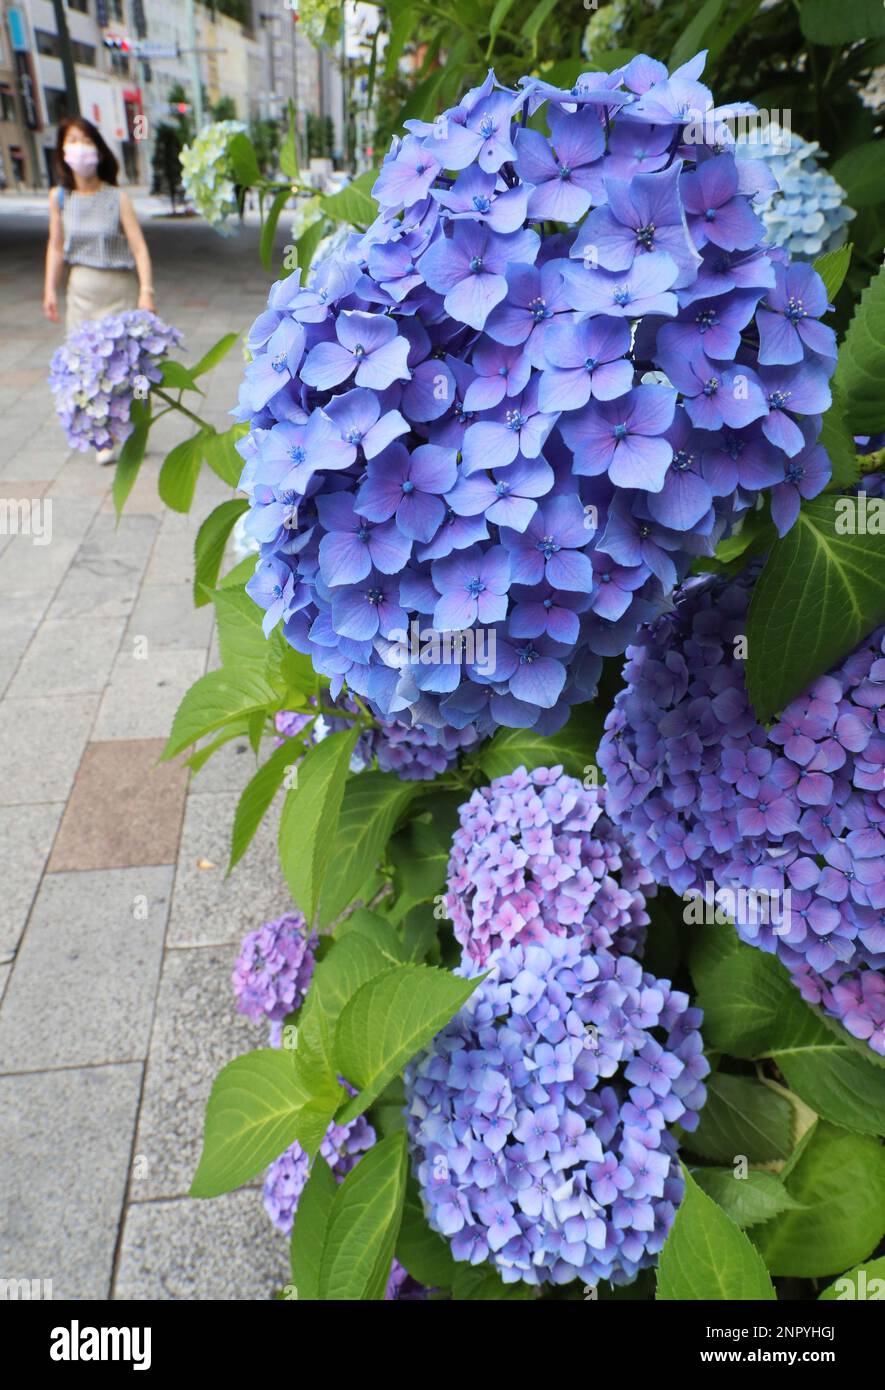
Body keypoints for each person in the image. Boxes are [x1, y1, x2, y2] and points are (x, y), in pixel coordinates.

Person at [43, 116, 156, 462]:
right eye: (72, 140)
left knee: (124, 364)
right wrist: (49, 289)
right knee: (85, 367)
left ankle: (133, 426)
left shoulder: (117, 198)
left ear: (98, 148)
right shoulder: (59, 197)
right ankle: (101, 436)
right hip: (81, 292)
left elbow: (138, 246)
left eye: (86, 140)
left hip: (118, 288)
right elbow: (55, 246)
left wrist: (146, 290)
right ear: (63, 151)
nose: (80, 147)